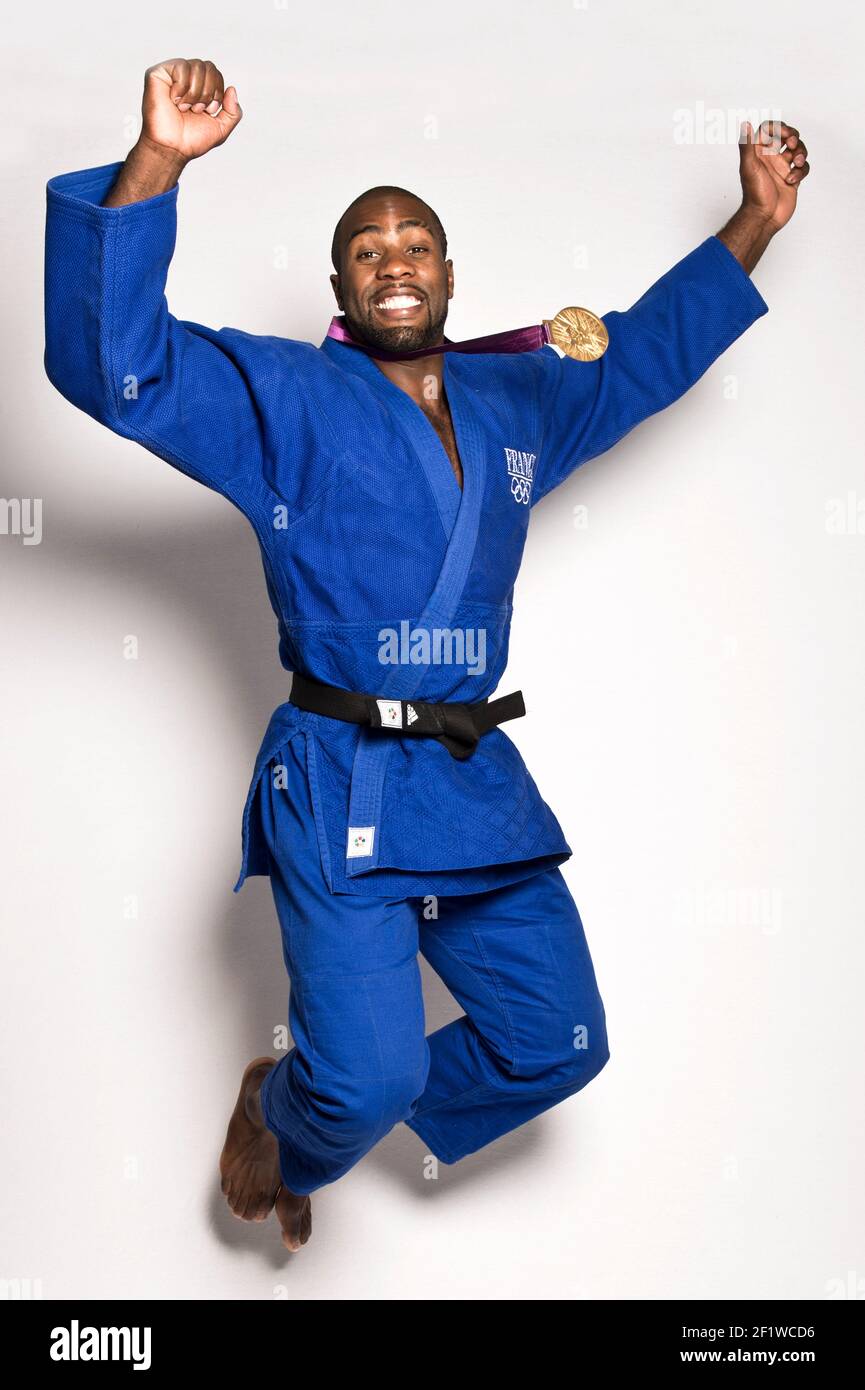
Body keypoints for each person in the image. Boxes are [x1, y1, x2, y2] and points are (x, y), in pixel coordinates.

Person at [43, 57, 810, 1252]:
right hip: (341, 773)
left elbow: (647, 354)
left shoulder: (522, 398)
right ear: (342, 284)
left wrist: (754, 222)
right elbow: (119, 371)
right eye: (366, 245)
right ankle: (294, 1110)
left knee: (558, 1042)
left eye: (415, 241)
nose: (393, 256)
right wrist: (156, 164)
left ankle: (339, 1099)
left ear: (448, 273)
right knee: (362, 1083)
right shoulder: (286, 393)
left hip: (469, 781)